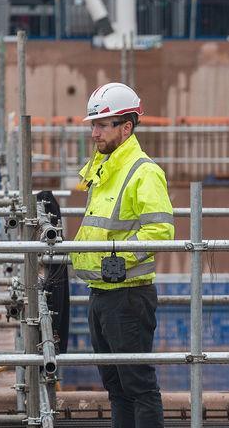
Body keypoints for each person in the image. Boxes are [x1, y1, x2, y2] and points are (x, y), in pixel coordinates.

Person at [71, 82, 173, 427]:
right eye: (93, 125)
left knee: (139, 386)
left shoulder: (144, 172)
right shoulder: (104, 168)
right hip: (101, 293)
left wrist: (120, 260)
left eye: (101, 125)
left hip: (128, 296)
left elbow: (160, 231)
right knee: (116, 388)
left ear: (126, 127)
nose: (94, 132)